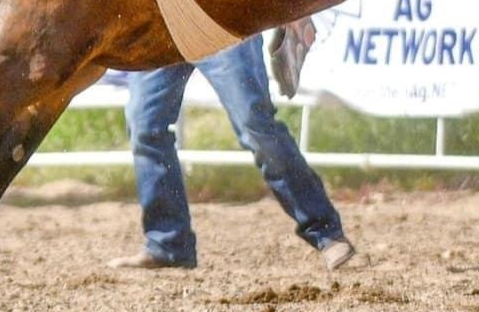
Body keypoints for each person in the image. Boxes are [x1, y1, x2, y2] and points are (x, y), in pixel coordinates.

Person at [111, 37, 355, 273]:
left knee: (255, 126)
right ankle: (167, 243)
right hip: (163, 23)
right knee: (144, 126)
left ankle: (327, 234)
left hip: (218, 20)